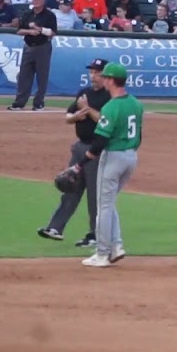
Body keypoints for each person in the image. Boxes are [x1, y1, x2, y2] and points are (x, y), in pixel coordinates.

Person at [73, 62, 143, 268]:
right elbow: (140, 136)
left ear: (111, 80)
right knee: (109, 202)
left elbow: (100, 141)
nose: (102, 79)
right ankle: (117, 246)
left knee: (103, 205)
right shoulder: (136, 103)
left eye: (105, 77)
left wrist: (80, 164)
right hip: (131, 157)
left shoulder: (111, 107)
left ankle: (102, 253)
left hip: (113, 157)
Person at [37, 58, 112, 247]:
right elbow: (68, 117)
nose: (93, 76)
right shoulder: (83, 93)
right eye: (92, 72)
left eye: (98, 73)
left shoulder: (110, 97)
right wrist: (76, 116)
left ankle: (95, 235)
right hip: (79, 148)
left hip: (97, 150)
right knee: (70, 186)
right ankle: (55, 228)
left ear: (106, 76)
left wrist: (86, 109)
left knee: (95, 195)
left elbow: (105, 122)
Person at [8, 0, 57, 111]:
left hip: (43, 46)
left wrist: (38, 28)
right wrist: (30, 31)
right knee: (24, 76)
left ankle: (39, 103)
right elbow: (19, 31)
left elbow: (52, 32)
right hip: (28, 46)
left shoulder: (49, 15)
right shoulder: (27, 14)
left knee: (42, 76)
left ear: (43, 0)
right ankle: (19, 103)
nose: (36, 1)